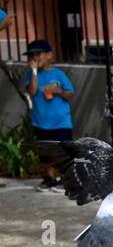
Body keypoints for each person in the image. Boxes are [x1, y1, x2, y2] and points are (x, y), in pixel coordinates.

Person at [24, 39, 75, 189]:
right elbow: (32, 91)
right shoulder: (31, 75)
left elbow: (71, 95)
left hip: (60, 122)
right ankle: (49, 179)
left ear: (49, 56)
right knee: (46, 154)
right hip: (41, 122)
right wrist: (33, 71)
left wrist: (58, 91)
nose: (34, 58)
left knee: (63, 152)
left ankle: (67, 180)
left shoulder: (58, 74)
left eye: (38, 54)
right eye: (31, 56)